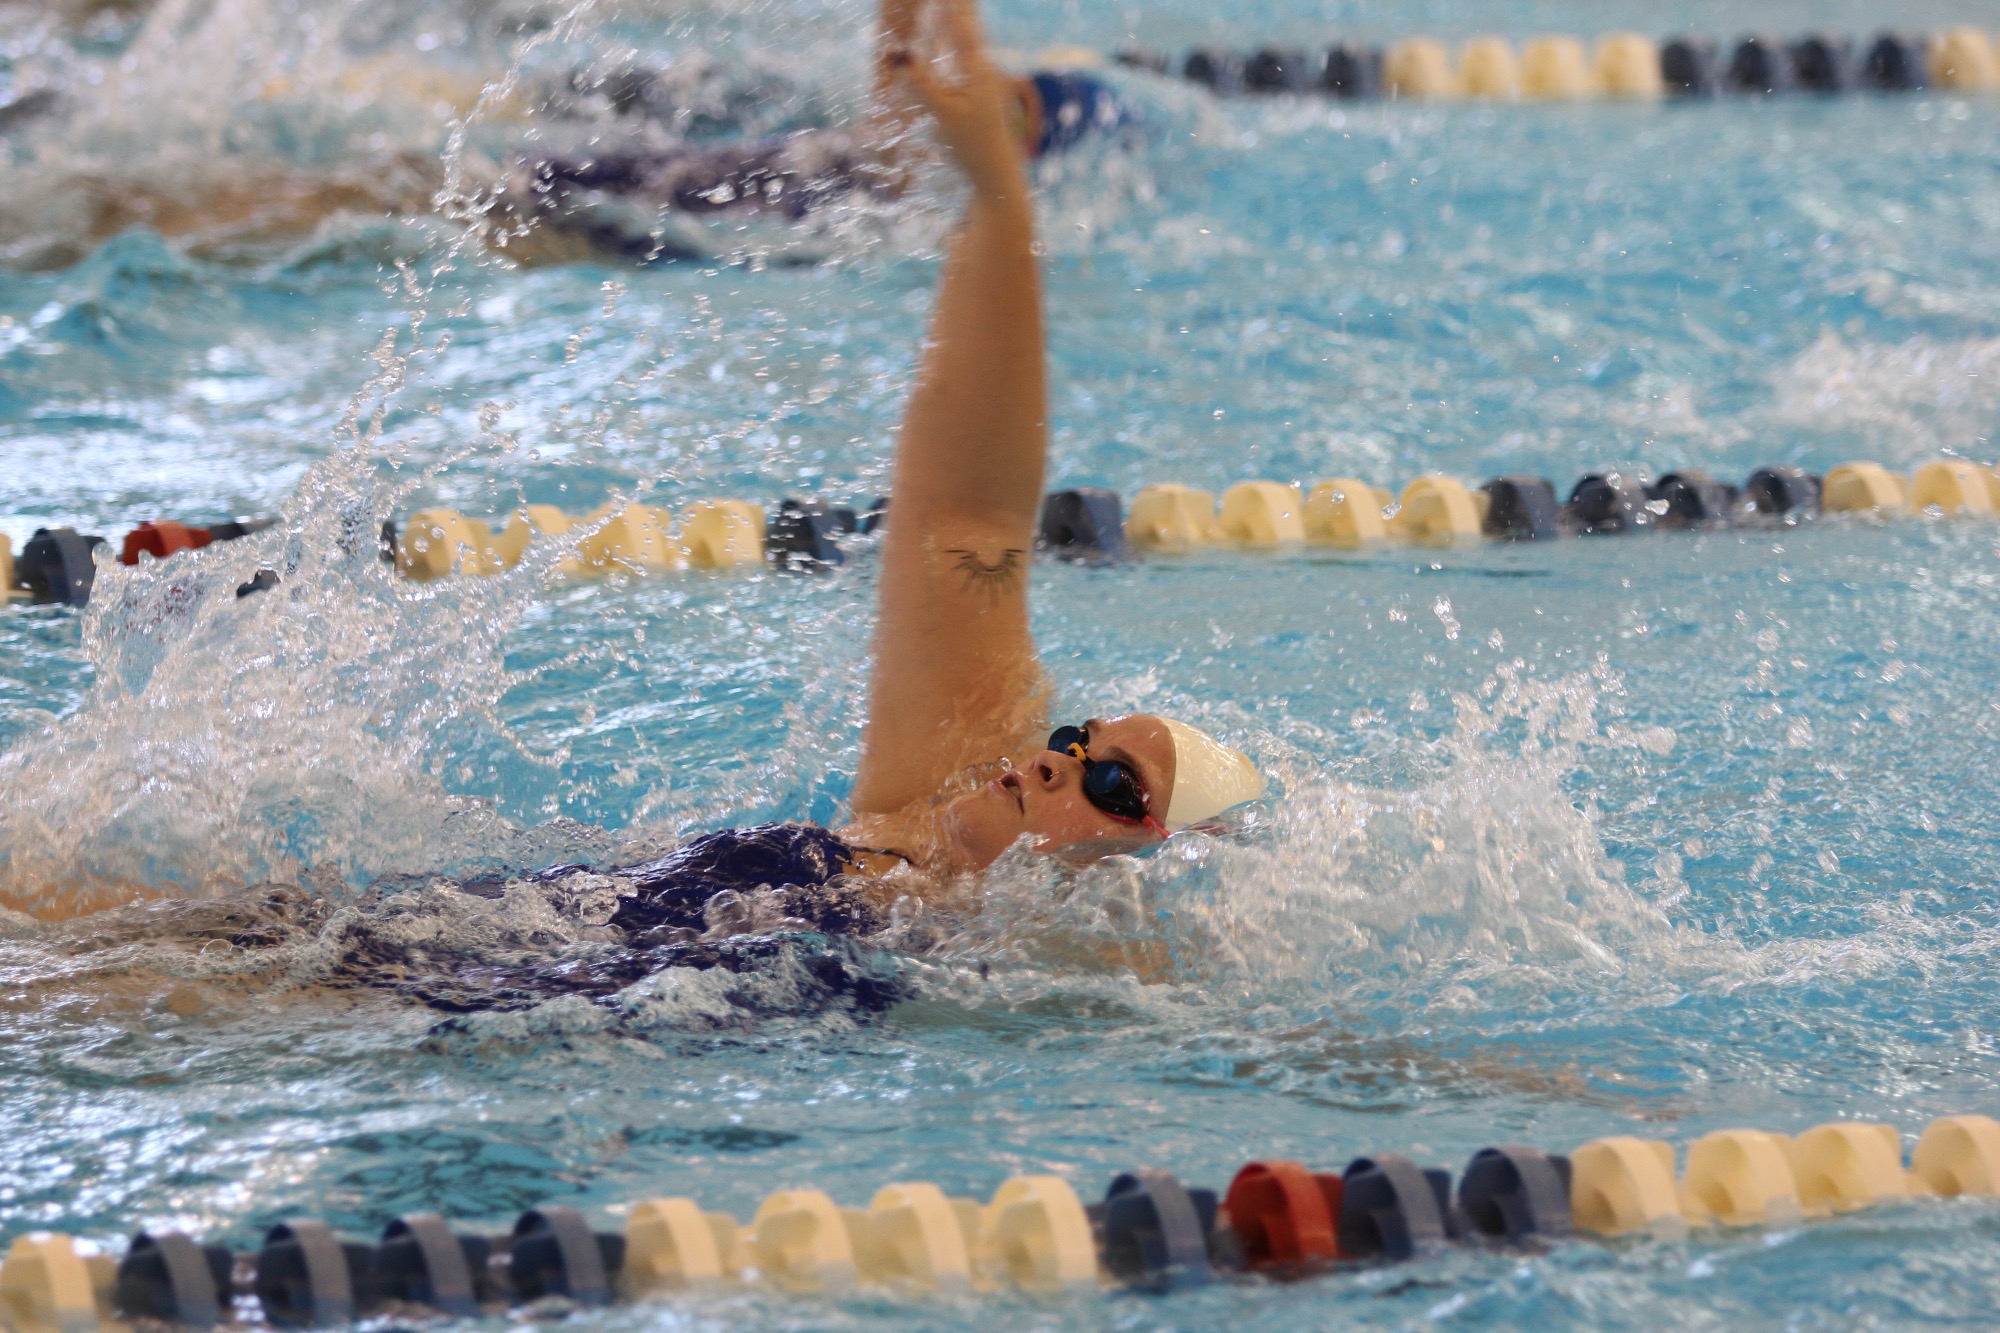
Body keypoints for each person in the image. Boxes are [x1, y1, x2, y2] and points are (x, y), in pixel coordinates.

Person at [551, 0, 1261, 948]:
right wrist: (997, 195)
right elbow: (969, 516)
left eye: (1114, 785)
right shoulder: (930, 801)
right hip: (468, 946)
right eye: (1076, 745)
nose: (1058, 762)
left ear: (1152, 862)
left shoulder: (1058, 965)